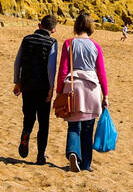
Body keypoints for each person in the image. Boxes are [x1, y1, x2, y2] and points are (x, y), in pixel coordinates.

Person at [55, 13, 109, 172]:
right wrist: (105, 95)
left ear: (76, 26)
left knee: (73, 126)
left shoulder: (68, 43)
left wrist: (59, 92)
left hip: (73, 87)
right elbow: (101, 73)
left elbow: (63, 69)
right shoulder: (95, 46)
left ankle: (73, 153)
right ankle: (86, 164)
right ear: (90, 27)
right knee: (88, 128)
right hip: (91, 89)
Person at [13, 14, 58, 165]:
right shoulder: (52, 42)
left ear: (39, 25)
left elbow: (17, 62)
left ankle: (25, 134)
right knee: (43, 123)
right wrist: (51, 88)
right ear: (53, 29)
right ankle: (40, 156)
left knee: (29, 116)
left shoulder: (27, 39)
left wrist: (17, 83)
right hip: (43, 87)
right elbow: (51, 68)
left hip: (27, 85)